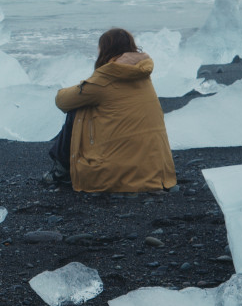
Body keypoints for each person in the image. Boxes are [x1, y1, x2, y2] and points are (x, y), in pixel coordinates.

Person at [52, 28, 176, 193]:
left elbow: (62, 101)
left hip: (116, 175)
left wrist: (84, 87)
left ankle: (61, 170)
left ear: (106, 49)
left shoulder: (106, 77)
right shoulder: (143, 75)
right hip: (158, 173)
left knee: (77, 109)